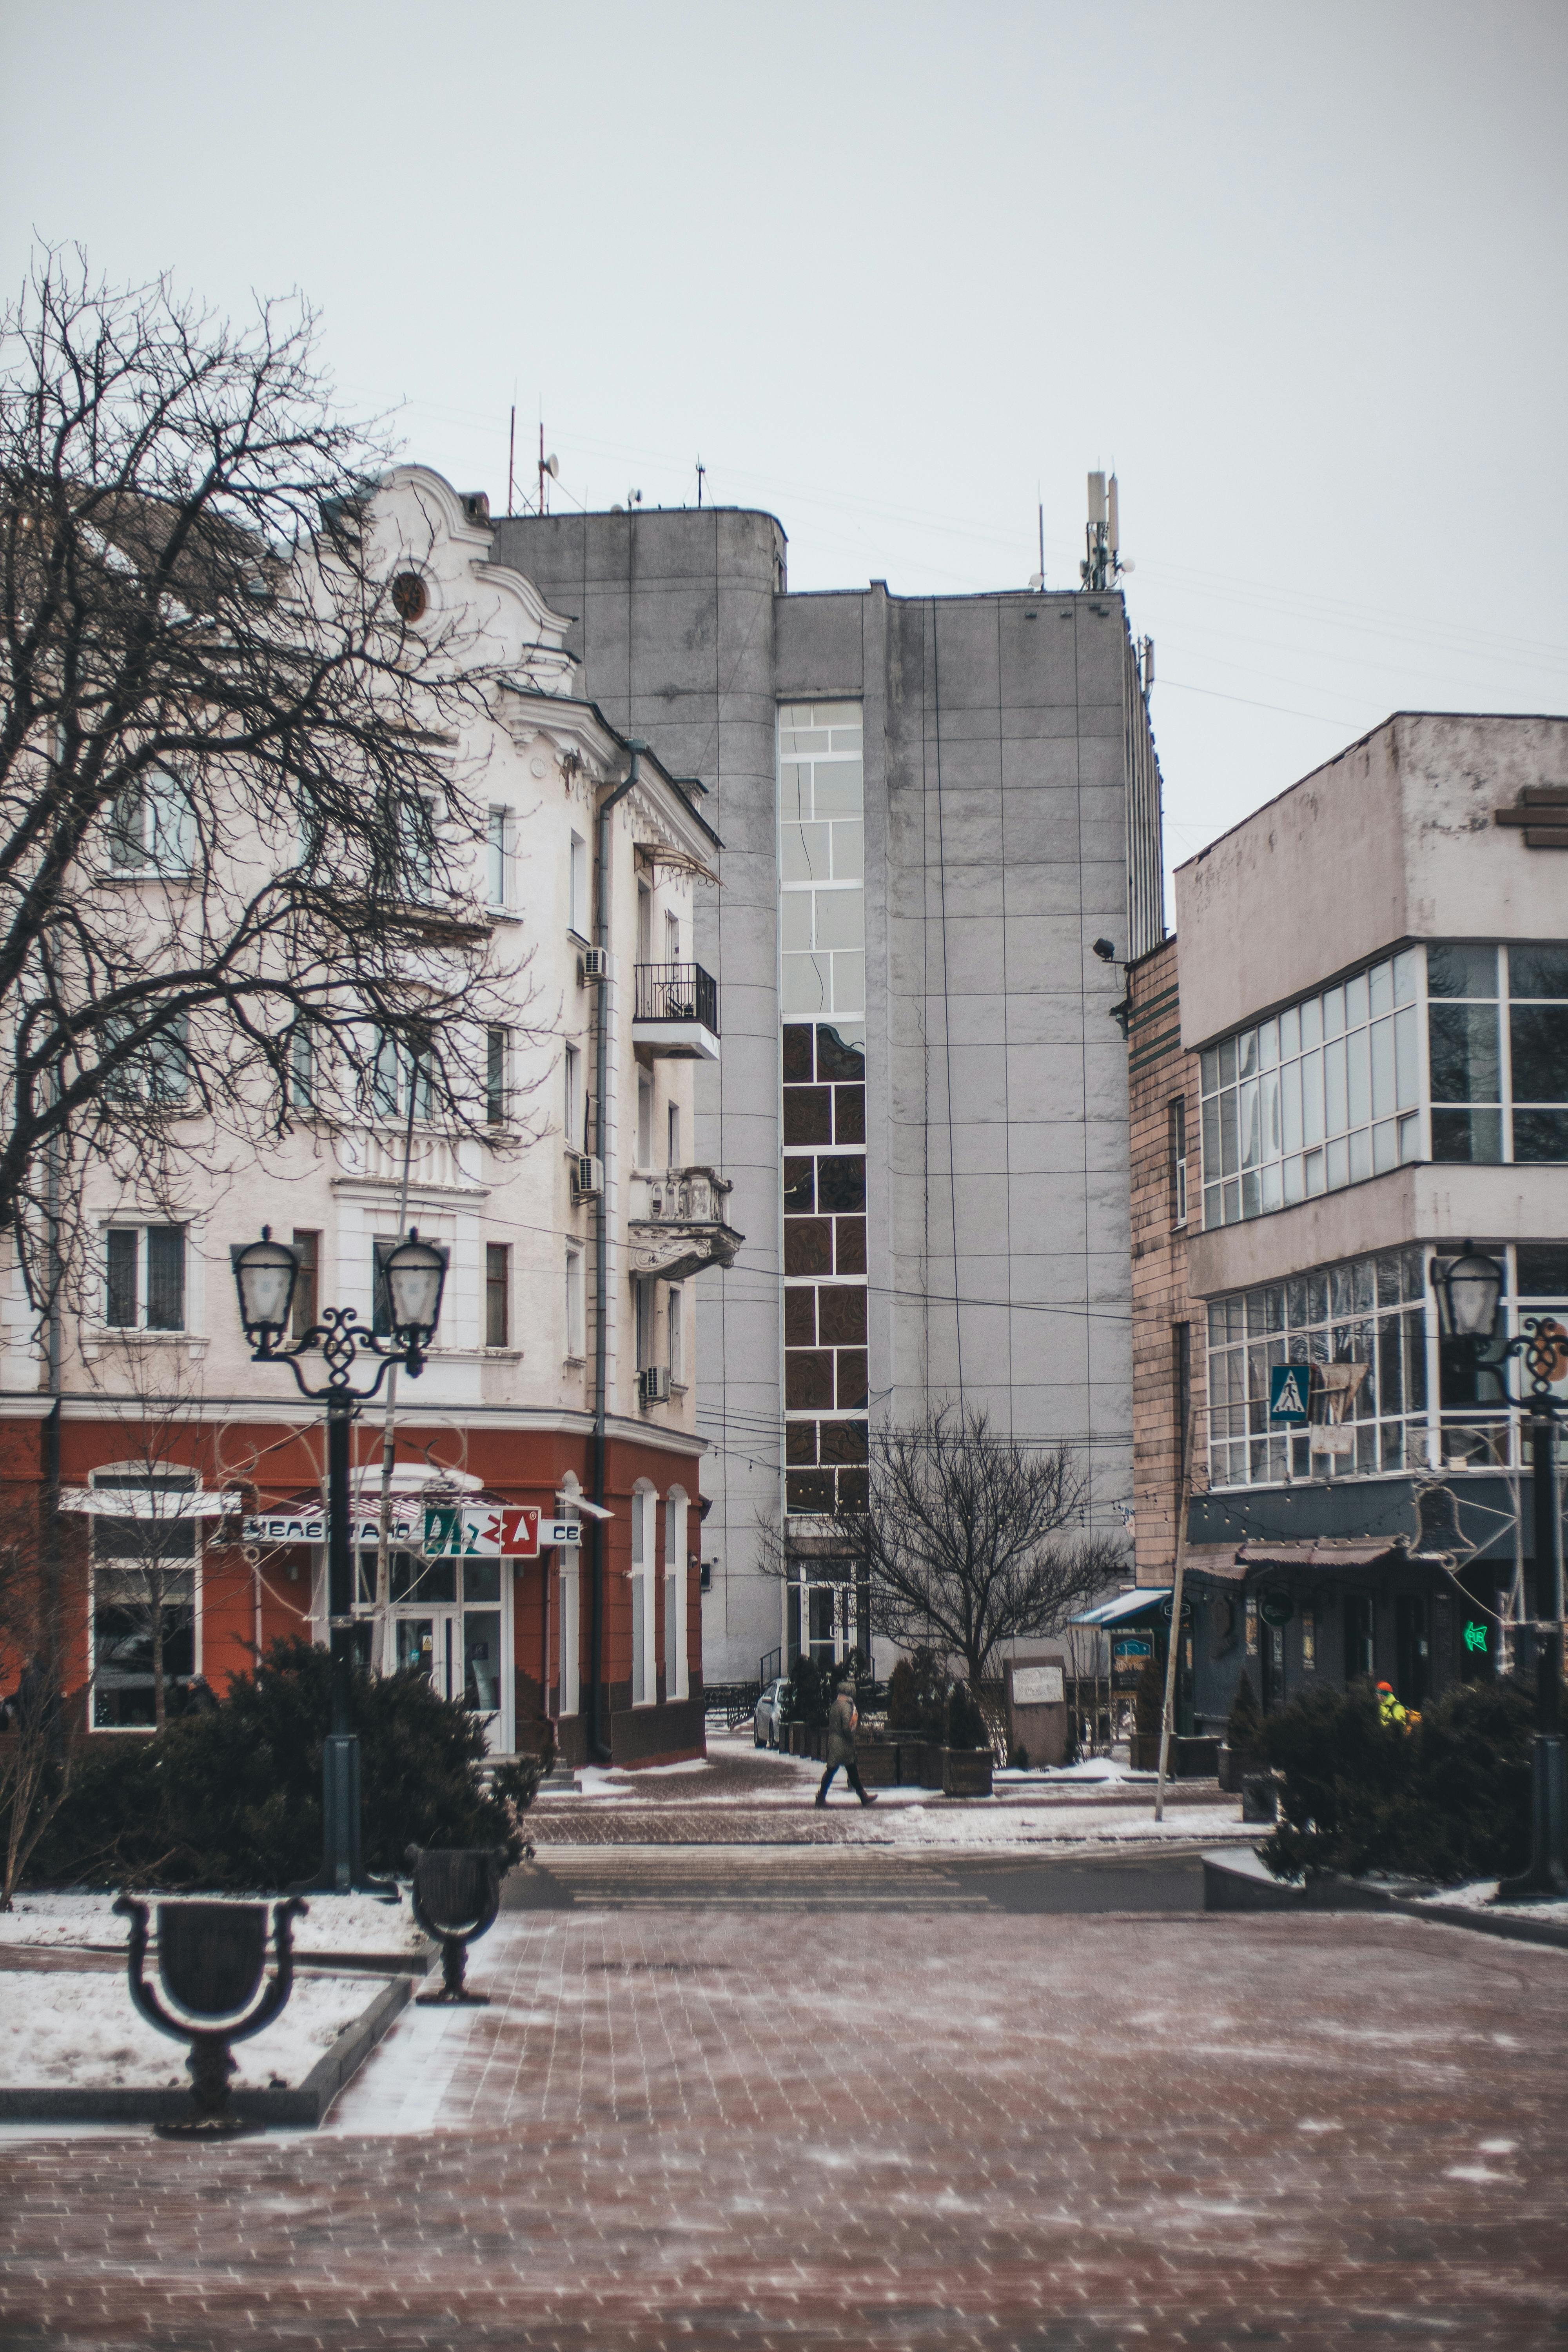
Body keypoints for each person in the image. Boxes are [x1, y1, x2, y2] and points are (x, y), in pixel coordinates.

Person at [816, 1672, 877, 1807]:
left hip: (835, 1742)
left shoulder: (836, 1704)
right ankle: (821, 1798)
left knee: (848, 1769)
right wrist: (852, 1737)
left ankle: (862, 1796)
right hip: (843, 1743)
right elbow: (847, 1727)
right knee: (834, 1770)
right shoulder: (847, 1706)